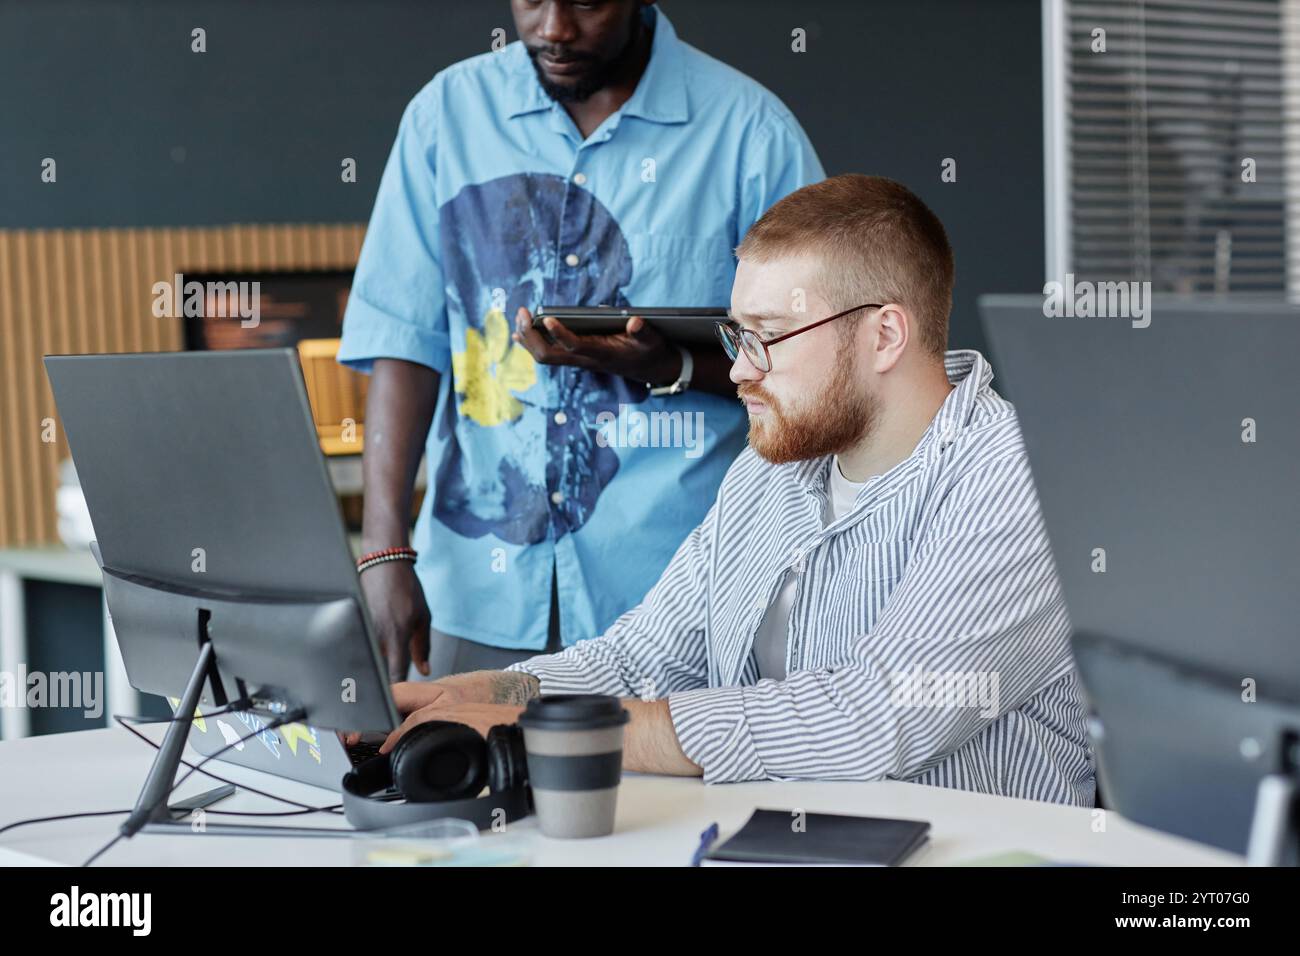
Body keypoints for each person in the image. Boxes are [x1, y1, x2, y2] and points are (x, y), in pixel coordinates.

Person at [359, 174, 1097, 806]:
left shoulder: (1018, 474)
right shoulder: (772, 466)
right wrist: (481, 696)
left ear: (885, 336)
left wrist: (546, 727)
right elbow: (640, 659)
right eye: (735, 336)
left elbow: (876, 717)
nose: (739, 371)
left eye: (767, 337)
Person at [338, 0, 823, 681]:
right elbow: (405, 345)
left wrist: (673, 363)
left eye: (588, 3)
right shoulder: (444, 118)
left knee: (669, 793)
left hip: (675, 609)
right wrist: (384, 553)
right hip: (474, 596)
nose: (554, 28)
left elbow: (817, 364)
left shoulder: (752, 134)